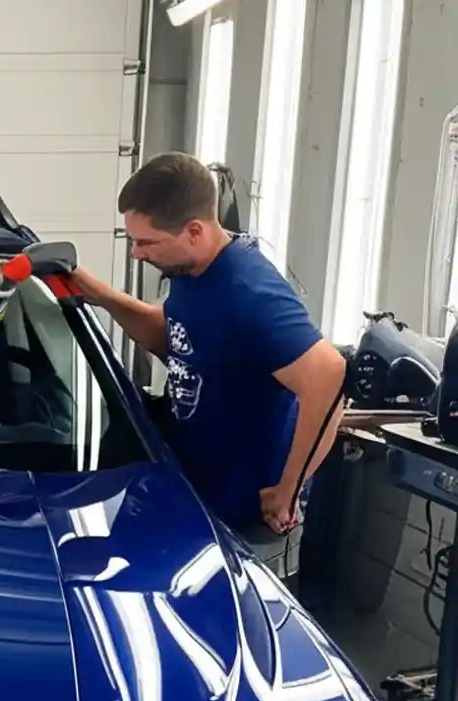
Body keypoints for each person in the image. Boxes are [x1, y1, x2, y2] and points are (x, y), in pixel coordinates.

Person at [70, 151, 347, 534]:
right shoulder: (191, 270)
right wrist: (96, 293)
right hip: (191, 491)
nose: (137, 253)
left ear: (194, 232)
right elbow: (175, 338)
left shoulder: (249, 289)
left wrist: (289, 489)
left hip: (242, 515)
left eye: (147, 242)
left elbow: (328, 373)